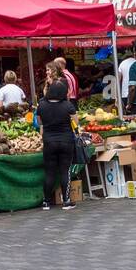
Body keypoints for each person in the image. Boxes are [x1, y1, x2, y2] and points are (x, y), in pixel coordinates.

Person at [37, 76, 78, 211]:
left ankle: (46, 202)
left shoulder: (41, 105)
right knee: (65, 171)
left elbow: (40, 122)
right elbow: (76, 124)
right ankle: (66, 201)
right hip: (66, 141)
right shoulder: (68, 105)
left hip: (49, 141)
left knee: (49, 172)